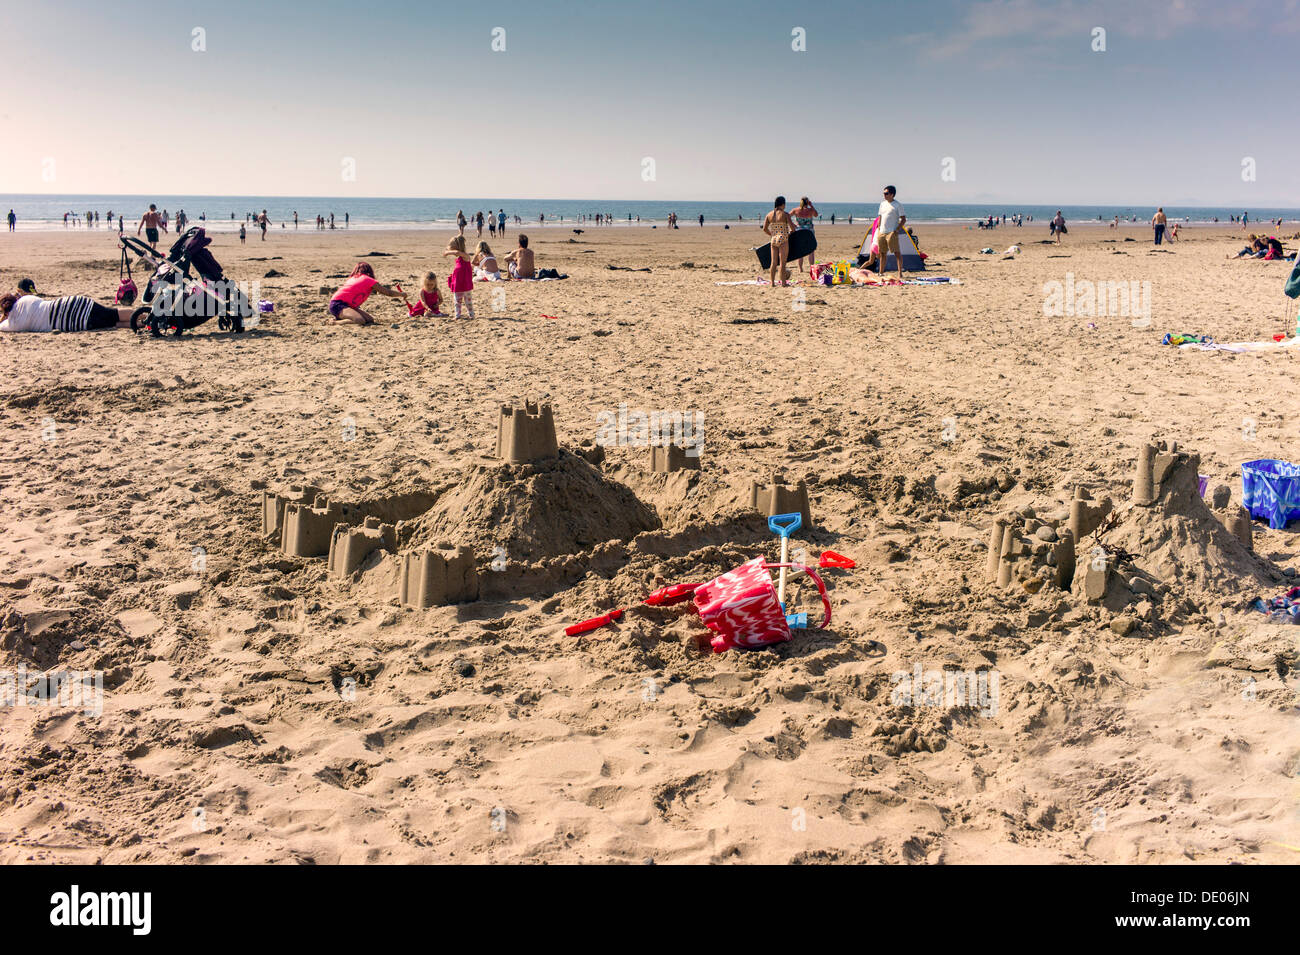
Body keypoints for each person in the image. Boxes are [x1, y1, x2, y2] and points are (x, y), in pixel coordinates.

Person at [1, 292, 136, 332]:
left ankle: (142, 321)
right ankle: (144, 316)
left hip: (70, 322)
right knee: (113, 315)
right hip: (69, 304)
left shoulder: (15, 323)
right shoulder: (26, 299)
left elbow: (2, 326)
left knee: (112, 323)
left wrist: (4, 317)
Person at [327, 262, 404, 325]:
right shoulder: (368, 280)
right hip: (338, 305)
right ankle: (335, 322)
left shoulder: (354, 278)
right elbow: (388, 292)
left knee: (369, 320)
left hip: (347, 305)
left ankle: (342, 317)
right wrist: (402, 294)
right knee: (360, 321)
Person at [762, 196, 796, 287]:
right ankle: (783, 283)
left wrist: (772, 235)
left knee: (773, 263)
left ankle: (772, 283)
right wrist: (790, 232)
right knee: (782, 263)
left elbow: (764, 229)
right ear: (783, 204)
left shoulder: (769, 214)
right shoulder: (785, 214)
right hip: (783, 238)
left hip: (773, 239)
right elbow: (793, 228)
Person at [876, 186, 907, 281]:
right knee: (882, 253)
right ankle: (881, 272)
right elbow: (880, 217)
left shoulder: (897, 205)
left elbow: (903, 219)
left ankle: (900, 273)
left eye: (886, 193)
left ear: (892, 194)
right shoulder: (882, 204)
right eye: (884, 193)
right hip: (882, 232)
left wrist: (896, 230)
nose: (884, 195)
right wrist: (878, 228)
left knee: (896, 253)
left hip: (891, 232)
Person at [443, 235, 475, 318]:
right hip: (458, 283)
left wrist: (447, 252)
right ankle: (457, 315)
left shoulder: (466, 256)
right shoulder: (458, 259)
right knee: (457, 301)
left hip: (466, 284)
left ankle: (471, 314)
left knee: (468, 301)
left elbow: (457, 252)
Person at [791, 196, 819, 275]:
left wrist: (793, 224)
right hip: (809, 231)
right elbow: (816, 215)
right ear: (808, 202)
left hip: (799, 231)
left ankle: (800, 268)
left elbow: (787, 217)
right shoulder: (811, 210)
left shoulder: (795, 210)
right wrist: (811, 205)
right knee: (811, 251)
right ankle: (811, 268)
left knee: (800, 251)